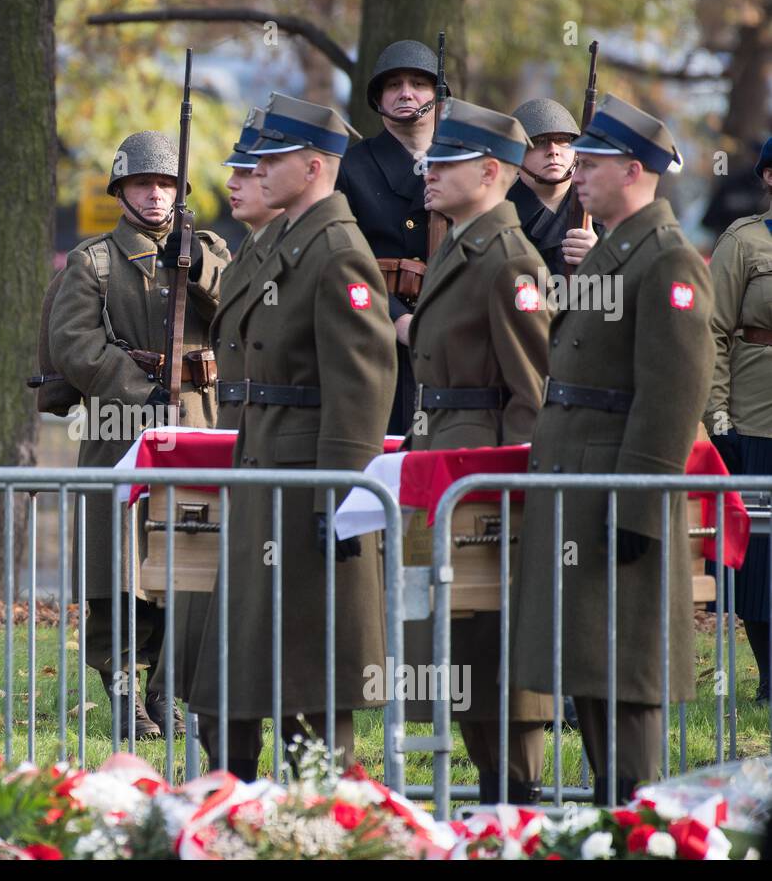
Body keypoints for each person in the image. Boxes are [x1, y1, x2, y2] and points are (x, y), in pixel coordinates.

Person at [185, 93, 396, 780]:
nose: (259, 168)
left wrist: (338, 504)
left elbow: (359, 390)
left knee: (311, 681)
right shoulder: (284, 241)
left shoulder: (336, 251)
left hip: (306, 487)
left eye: (274, 158)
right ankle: (233, 808)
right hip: (262, 472)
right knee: (235, 673)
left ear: (312, 166)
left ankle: (320, 822)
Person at [514, 95, 713, 805]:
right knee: (589, 660)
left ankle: (640, 819)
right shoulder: (616, 252)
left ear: (634, 169)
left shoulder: (666, 262)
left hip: (618, 493)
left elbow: (673, 395)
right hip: (581, 485)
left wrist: (637, 506)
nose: (579, 175)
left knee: (626, 666)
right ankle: (611, 809)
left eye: (592, 164)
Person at [48, 131, 230, 739]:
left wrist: (195, 264)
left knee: (187, 562)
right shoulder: (93, 261)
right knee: (121, 569)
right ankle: (125, 694)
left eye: (168, 185)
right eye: (144, 184)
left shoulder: (210, 250)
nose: (156, 195)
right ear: (121, 190)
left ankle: (167, 692)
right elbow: (74, 343)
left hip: (196, 426)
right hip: (118, 429)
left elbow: (241, 307)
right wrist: (138, 389)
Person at [405, 98, 553, 804]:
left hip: (488, 475)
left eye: (446, 161)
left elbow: (530, 388)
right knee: (461, 639)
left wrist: (518, 493)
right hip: (448, 462)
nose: (427, 170)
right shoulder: (462, 245)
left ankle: (516, 793)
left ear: (491, 171)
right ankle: (491, 790)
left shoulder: (507, 257)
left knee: (498, 640)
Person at [151, 107, 285, 713]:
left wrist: (193, 260)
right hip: (218, 433)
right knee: (180, 570)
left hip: (267, 442)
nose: (231, 181)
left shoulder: (287, 254)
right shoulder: (256, 251)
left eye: (249, 171)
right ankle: (176, 691)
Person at [337, 40, 445, 435]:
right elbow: (342, 266)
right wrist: (397, 318)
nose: (406, 93)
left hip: (453, 347)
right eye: (393, 85)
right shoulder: (353, 168)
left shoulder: (467, 167)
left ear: (438, 97)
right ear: (378, 99)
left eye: (419, 83)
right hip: (377, 343)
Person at [704, 135, 772, 705]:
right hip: (756, 416)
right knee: (759, 558)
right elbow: (713, 330)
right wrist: (718, 414)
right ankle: (768, 677)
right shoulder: (744, 242)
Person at [507, 98, 601, 275]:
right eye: (539, 141)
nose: (553, 150)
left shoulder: (605, 212)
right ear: (515, 154)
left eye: (562, 139)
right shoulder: (501, 217)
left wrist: (602, 259)